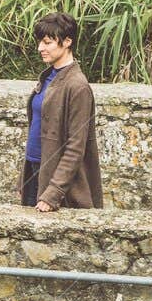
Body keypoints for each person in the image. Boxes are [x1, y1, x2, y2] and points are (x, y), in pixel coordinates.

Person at [18, 11, 104, 211]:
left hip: (57, 181)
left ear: (67, 42)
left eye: (47, 42)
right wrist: (23, 179)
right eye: (40, 42)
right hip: (35, 171)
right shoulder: (48, 77)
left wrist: (53, 193)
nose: (40, 48)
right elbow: (37, 129)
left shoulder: (77, 86)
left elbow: (76, 147)